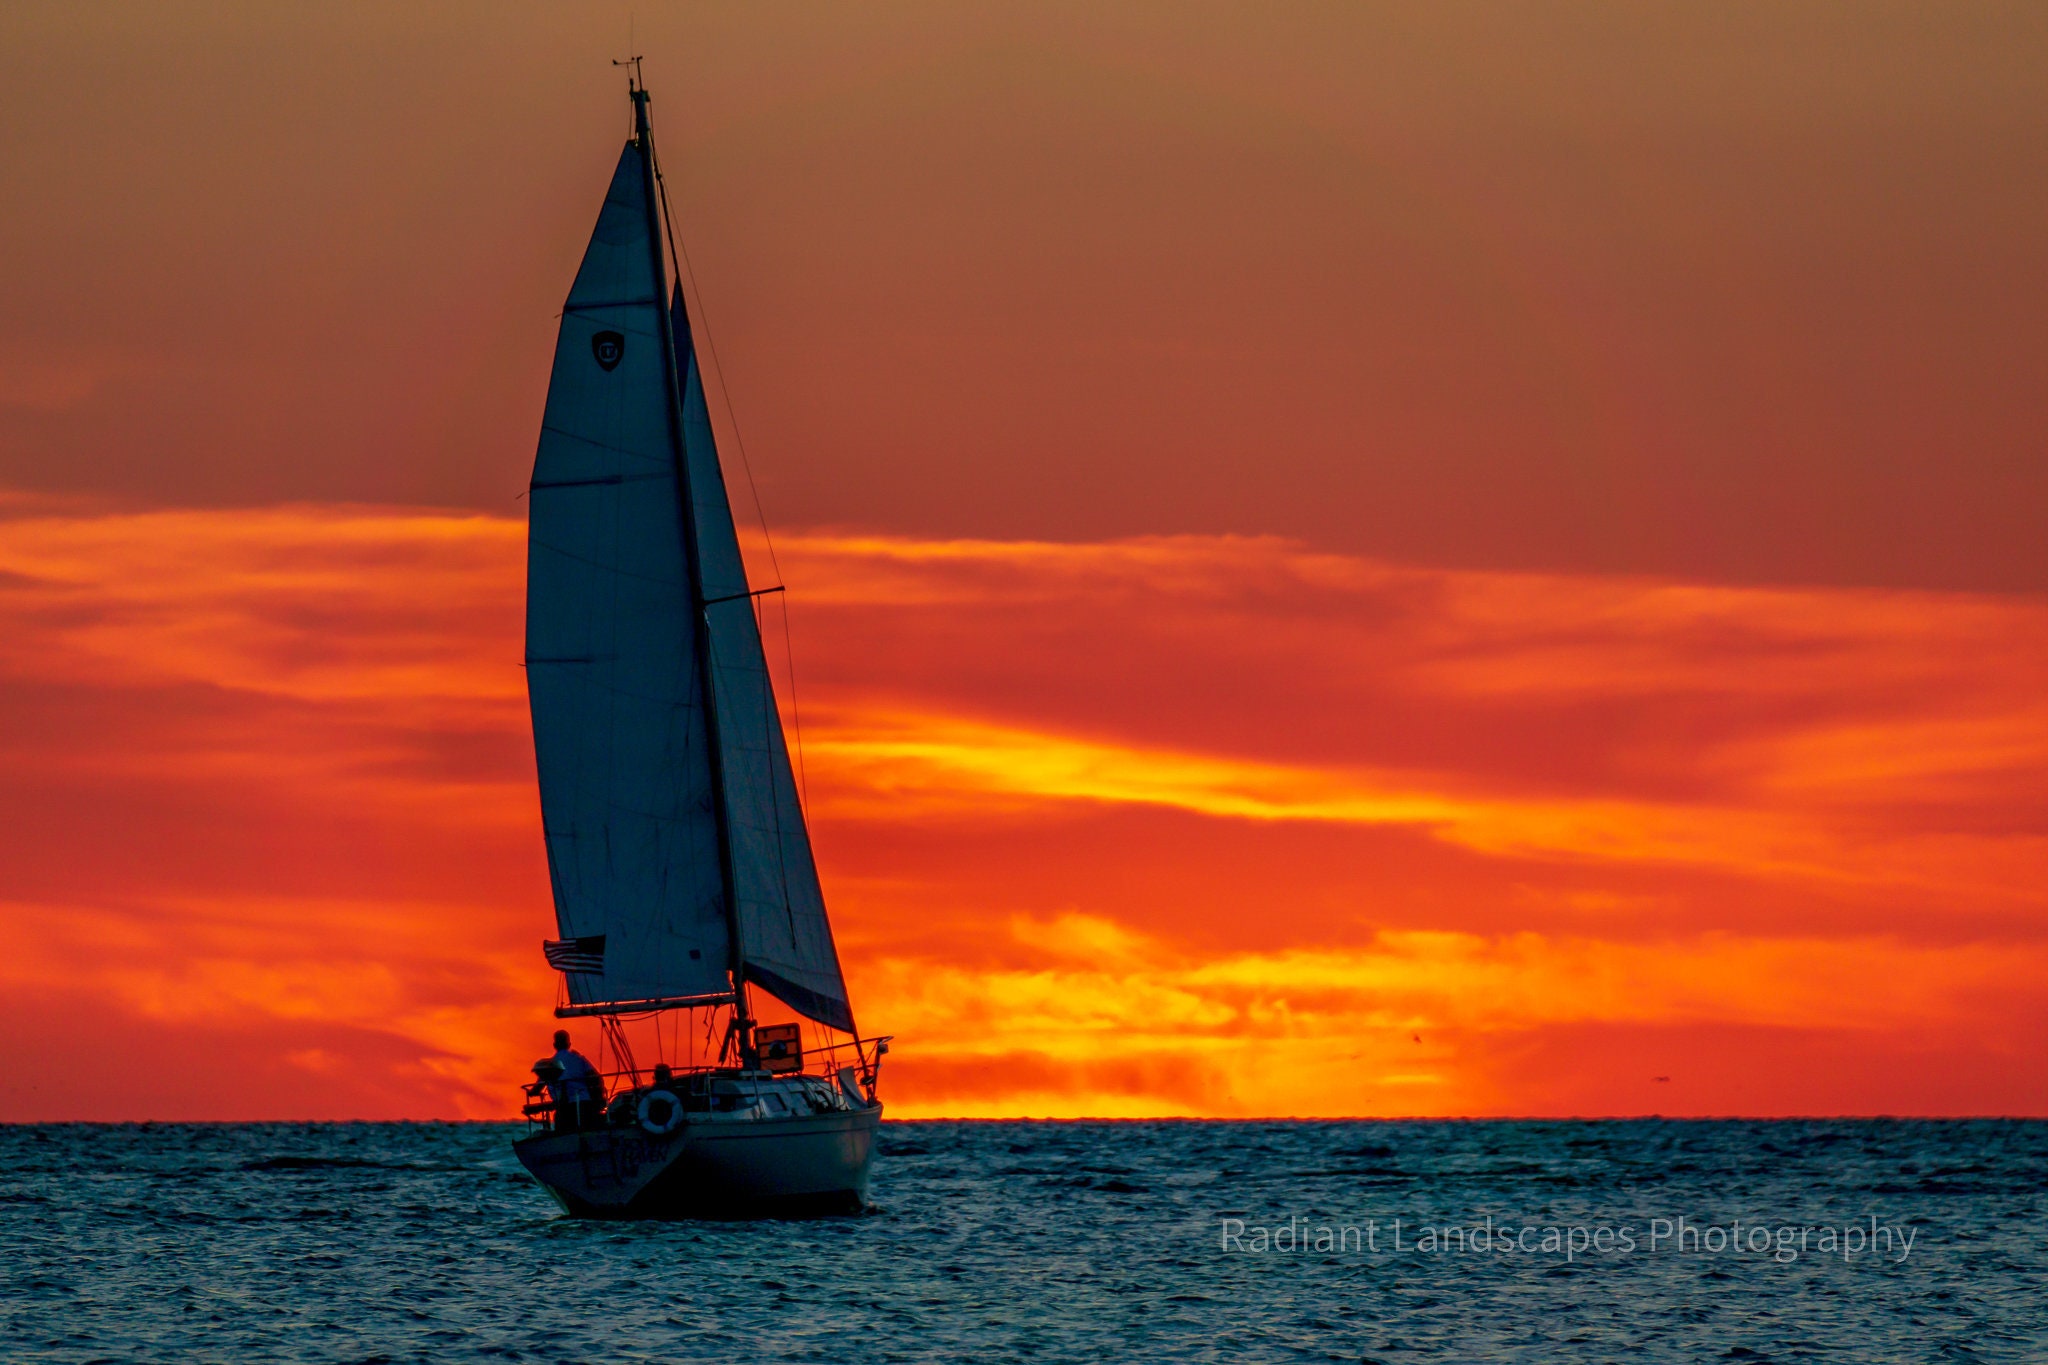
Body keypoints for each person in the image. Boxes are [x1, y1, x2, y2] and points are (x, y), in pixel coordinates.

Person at [547, 1029, 603, 1130]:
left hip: (564, 1107)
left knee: (563, 1132)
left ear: (554, 1045)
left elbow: (537, 1088)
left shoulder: (549, 1064)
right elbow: (596, 1077)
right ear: (569, 1044)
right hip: (584, 1102)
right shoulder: (579, 1059)